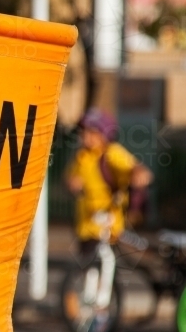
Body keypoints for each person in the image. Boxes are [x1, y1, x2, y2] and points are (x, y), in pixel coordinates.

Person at [65, 108, 153, 256]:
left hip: (107, 227)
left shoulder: (111, 153)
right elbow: (71, 177)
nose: (85, 136)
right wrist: (72, 183)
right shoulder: (81, 156)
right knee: (87, 270)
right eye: (83, 131)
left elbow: (131, 166)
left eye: (92, 132)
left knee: (106, 267)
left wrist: (139, 173)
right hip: (85, 225)